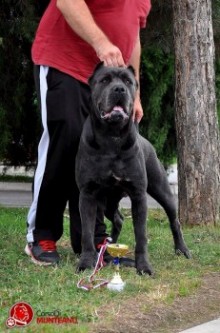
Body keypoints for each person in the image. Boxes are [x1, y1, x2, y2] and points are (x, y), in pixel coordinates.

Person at [25, 0, 152, 265]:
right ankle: (42, 234)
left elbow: (133, 37)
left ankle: (92, 240)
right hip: (65, 63)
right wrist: (101, 43)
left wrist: (135, 92)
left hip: (108, 83)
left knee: (98, 156)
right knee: (65, 142)